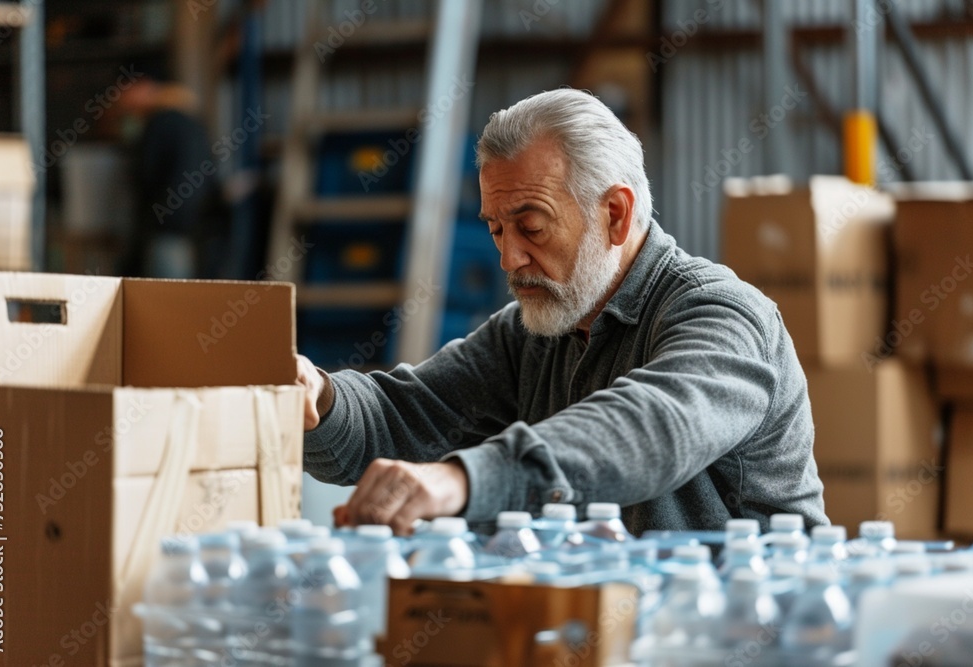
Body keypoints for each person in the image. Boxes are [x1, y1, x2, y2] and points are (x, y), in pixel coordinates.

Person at [297, 88, 827, 536]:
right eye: (496, 229)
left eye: (532, 227)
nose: (509, 258)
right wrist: (318, 396)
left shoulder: (723, 314)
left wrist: (464, 479)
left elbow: (651, 429)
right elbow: (405, 414)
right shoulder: (534, 333)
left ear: (615, 215)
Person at [117, 75, 229, 279]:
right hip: (195, 228)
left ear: (144, 86)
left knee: (165, 299)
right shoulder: (192, 121)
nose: (122, 99)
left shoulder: (159, 123)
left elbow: (146, 175)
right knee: (183, 296)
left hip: (166, 227)